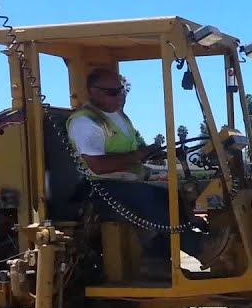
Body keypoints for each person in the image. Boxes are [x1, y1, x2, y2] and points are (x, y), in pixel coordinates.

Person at [66, 67, 210, 276]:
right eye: (113, 92)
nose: (120, 96)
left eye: (122, 90)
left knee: (172, 197)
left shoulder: (119, 117)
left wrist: (156, 153)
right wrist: (139, 155)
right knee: (151, 200)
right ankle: (200, 247)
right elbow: (98, 166)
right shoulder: (85, 122)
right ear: (93, 91)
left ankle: (155, 260)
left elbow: (136, 152)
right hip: (100, 189)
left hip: (125, 184)